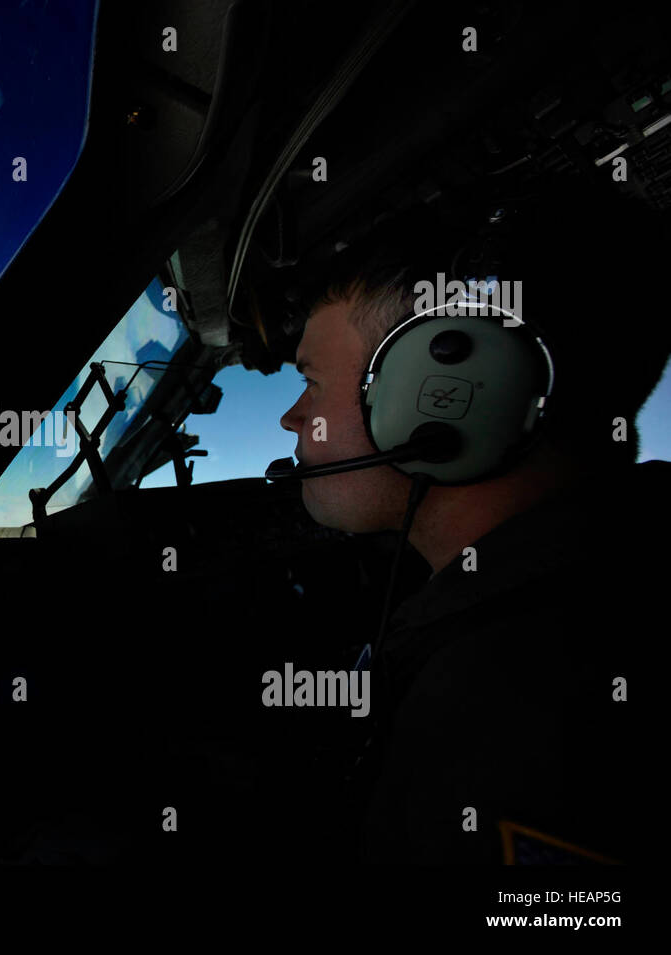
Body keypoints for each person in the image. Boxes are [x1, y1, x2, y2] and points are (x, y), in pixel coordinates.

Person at [276, 178, 669, 863]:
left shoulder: (513, 714)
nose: (289, 416)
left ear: (448, 393)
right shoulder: (607, 582)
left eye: (311, 381)